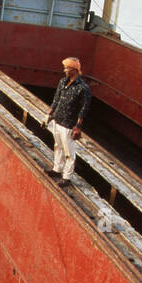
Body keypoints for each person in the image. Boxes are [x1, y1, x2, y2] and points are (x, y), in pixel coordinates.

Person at [46, 56, 91, 186]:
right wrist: (49, 114)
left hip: (69, 124)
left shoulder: (83, 89)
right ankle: (57, 169)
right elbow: (56, 99)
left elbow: (84, 109)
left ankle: (67, 177)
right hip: (57, 120)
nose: (65, 70)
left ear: (74, 70)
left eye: (67, 68)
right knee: (57, 146)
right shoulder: (62, 82)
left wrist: (78, 126)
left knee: (69, 152)